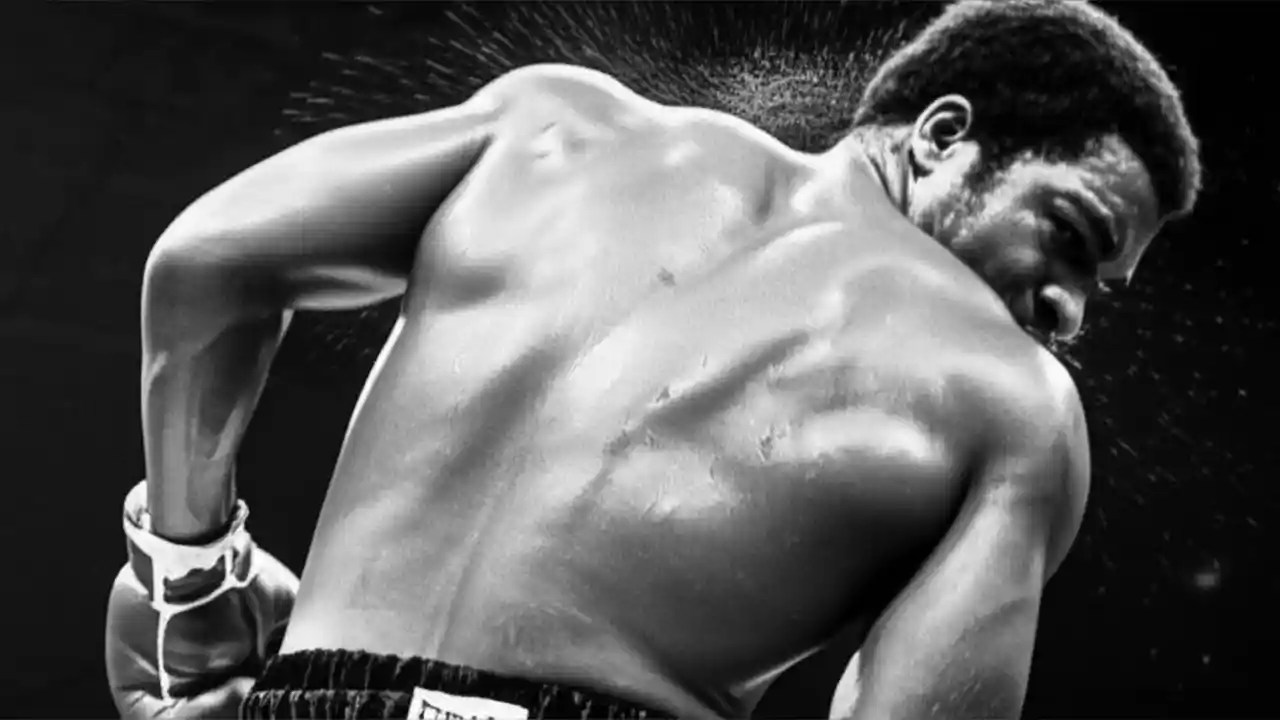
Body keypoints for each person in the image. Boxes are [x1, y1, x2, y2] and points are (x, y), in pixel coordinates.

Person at [105, 1, 1200, 718]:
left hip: (294, 701)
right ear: (939, 134)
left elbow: (205, 263)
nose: (1062, 310)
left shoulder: (554, 126)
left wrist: (189, 577)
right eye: (1068, 234)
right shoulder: (1015, 405)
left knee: (135, 644)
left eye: (1096, 297)